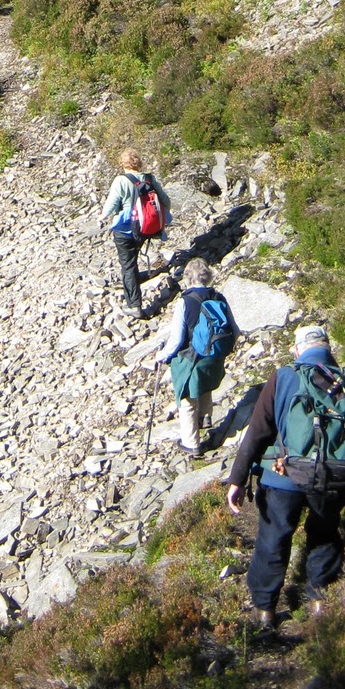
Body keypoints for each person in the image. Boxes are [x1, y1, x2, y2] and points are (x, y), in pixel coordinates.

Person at [226, 324, 345, 630]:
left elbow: (258, 432)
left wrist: (237, 479)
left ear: (296, 351)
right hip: (335, 477)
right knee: (324, 533)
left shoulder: (284, 376)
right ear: (328, 349)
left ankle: (265, 611)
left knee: (274, 538)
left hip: (283, 477)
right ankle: (319, 601)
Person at [155, 261, 238, 457]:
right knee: (205, 385)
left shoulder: (185, 301)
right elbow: (235, 330)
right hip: (214, 357)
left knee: (187, 401)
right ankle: (205, 417)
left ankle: (192, 444)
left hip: (192, 358)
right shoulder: (219, 297)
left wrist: (162, 356)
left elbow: (176, 339)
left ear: (187, 278)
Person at [99, 147, 171, 318]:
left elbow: (111, 205)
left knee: (128, 265)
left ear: (123, 164)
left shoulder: (121, 181)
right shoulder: (149, 179)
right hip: (145, 229)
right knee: (132, 261)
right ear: (138, 162)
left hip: (125, 230)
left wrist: (102, 217)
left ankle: (134, 305)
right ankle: (137, 285)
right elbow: (166, 201)